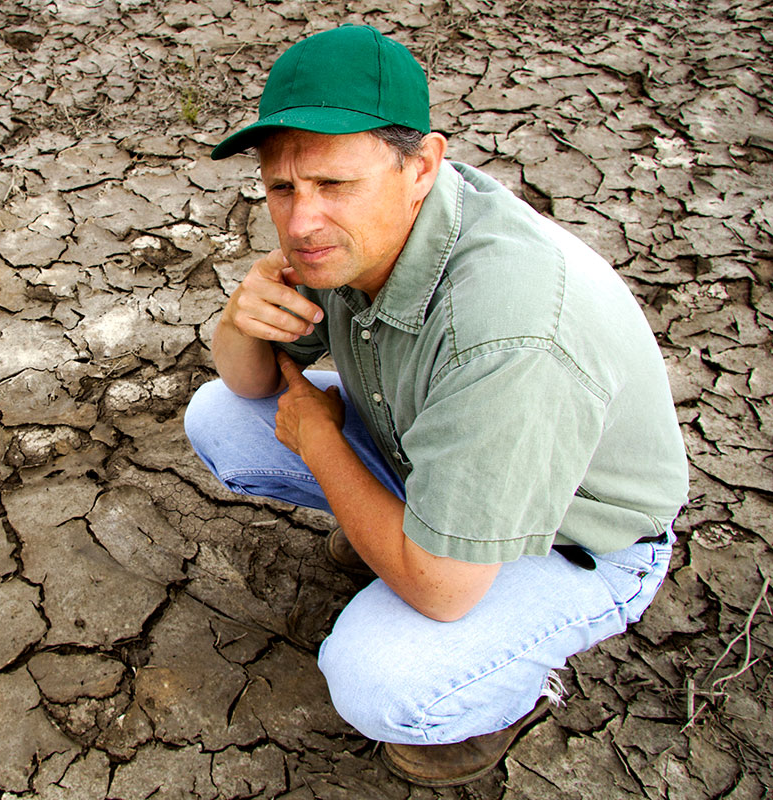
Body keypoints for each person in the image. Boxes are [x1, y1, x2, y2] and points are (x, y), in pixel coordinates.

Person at [184, 24, 689, 786]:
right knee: (218, 416)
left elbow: (441, 590)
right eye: (281, 188)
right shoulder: (358, 232)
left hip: (581, 537)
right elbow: (251, 384)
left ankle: (504, 689)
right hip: (430, 453)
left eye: (333, 184)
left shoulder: (509, 330)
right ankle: (405, 525)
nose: (300, 221)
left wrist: (322, 443)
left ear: (421, 167)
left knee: (382, 680)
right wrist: (240, 317)